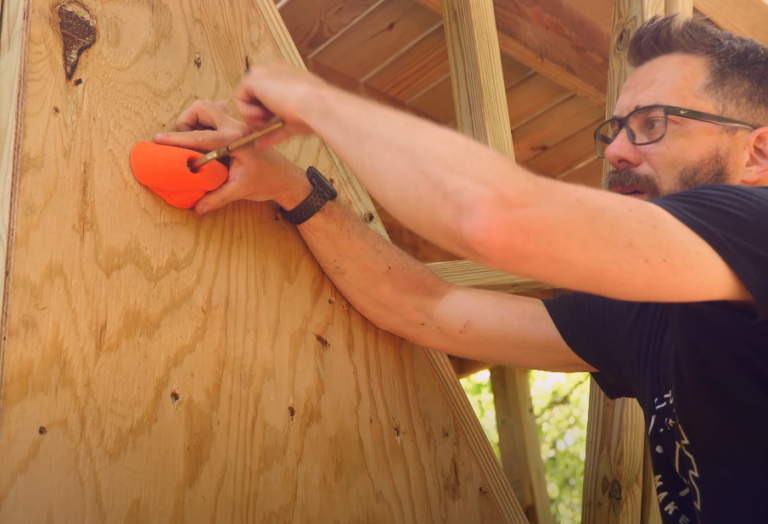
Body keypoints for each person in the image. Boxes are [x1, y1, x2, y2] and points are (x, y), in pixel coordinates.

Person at [154, 15, 768, 524]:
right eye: (615, 128)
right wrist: (288, 186)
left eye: (653, 123)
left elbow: (497, 217)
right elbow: (431, 311)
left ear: (757, 151)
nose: (614, 150)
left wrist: (312, 98)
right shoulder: (645, 314)